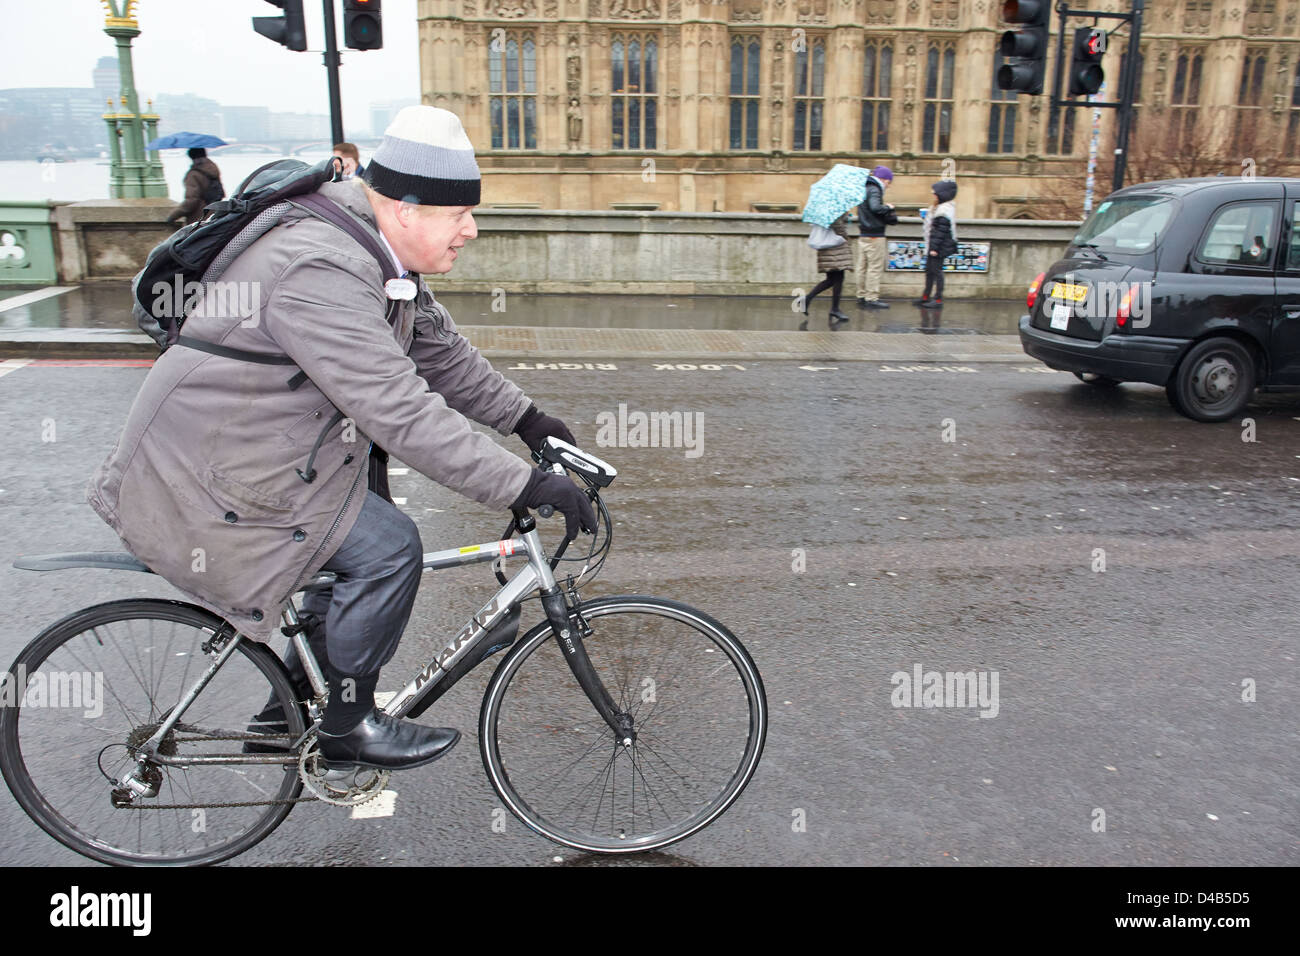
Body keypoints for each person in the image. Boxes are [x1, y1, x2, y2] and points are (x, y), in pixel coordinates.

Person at [88, 106, 594, 773]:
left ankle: (288, 711)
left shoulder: (372, 249)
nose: (471, 230)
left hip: (271, 452)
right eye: (458, 215)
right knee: (387, 550)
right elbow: (398, 409)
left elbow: (439, 353)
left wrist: (529, 421)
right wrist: (525, 483)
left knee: (346, 555)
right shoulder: (319, 266)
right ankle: (347, 728)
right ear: (408, 209)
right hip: (216, 469)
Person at [799, 211, 853, 331]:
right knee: (837, 278)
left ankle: (807, 300)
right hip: (835, 246)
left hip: (828, 246)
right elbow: (837, 225)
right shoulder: (834, 207)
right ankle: (834, 309)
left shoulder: (826, 206)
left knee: (832, 279)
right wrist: (845, 235)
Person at [856, 165, 897, 310]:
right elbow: (875, 208)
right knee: (874, 268)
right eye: (888, 182)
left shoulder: (864, 188)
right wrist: (889, 208)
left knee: (862, 267)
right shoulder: (875, 189)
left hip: (864, 233)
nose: (888, 186)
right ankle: (871, 298)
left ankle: (861, 295)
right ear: (883, 179)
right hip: (875, 234)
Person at [916, 180, 958, 309]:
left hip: (938, 247)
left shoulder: (944, 209)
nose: (934, 196)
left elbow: (940, 231)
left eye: (936, 193)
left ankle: (938, 299)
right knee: (929, 271)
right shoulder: (939, 207)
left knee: (937, 272)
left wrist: (934, 248)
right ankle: (926, 296)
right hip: (933, 245)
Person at [165, 147, 223, 226]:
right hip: (214, 214)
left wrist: (173, 216)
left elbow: (191, 200)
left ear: (191, 157)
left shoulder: (193, 174)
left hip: (198, 218)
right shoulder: (213, 169)